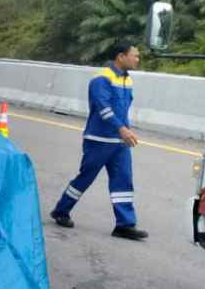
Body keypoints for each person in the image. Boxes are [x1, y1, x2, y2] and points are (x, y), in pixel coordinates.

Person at [50, 41, 147, 240]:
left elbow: (123, 110)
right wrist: (122, 130)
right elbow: (104, 109)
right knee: (84, 179)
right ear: (121, 56)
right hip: (98, 140)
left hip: (119, 142)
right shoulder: (101, 79)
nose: (137, 59)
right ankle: (61, 211)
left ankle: (125, 225)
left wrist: (125, 131)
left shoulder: (127, 80)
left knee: (124, 181)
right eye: (134, 55)